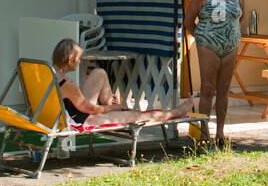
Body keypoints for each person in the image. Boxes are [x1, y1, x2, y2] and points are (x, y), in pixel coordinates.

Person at [50, 38, 195, 127]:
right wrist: (116, 108)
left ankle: (110, 103)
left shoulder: (49, 75)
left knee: (99, 73)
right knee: (137, 116)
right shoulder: (67, 85)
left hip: (73, 113)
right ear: (70, 60)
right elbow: (92, 110)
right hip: (86, 120)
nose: (80, 61)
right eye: (78, 58)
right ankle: (176, 112)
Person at [186, 0, 245, 148]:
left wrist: (231, 34)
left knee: (224, 89)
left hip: (230, 45)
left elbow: (240, 16)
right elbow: (188, 21)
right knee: (207, 88)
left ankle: (220, 132)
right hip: (208, 45)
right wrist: (203, 37)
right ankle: (202, 134)